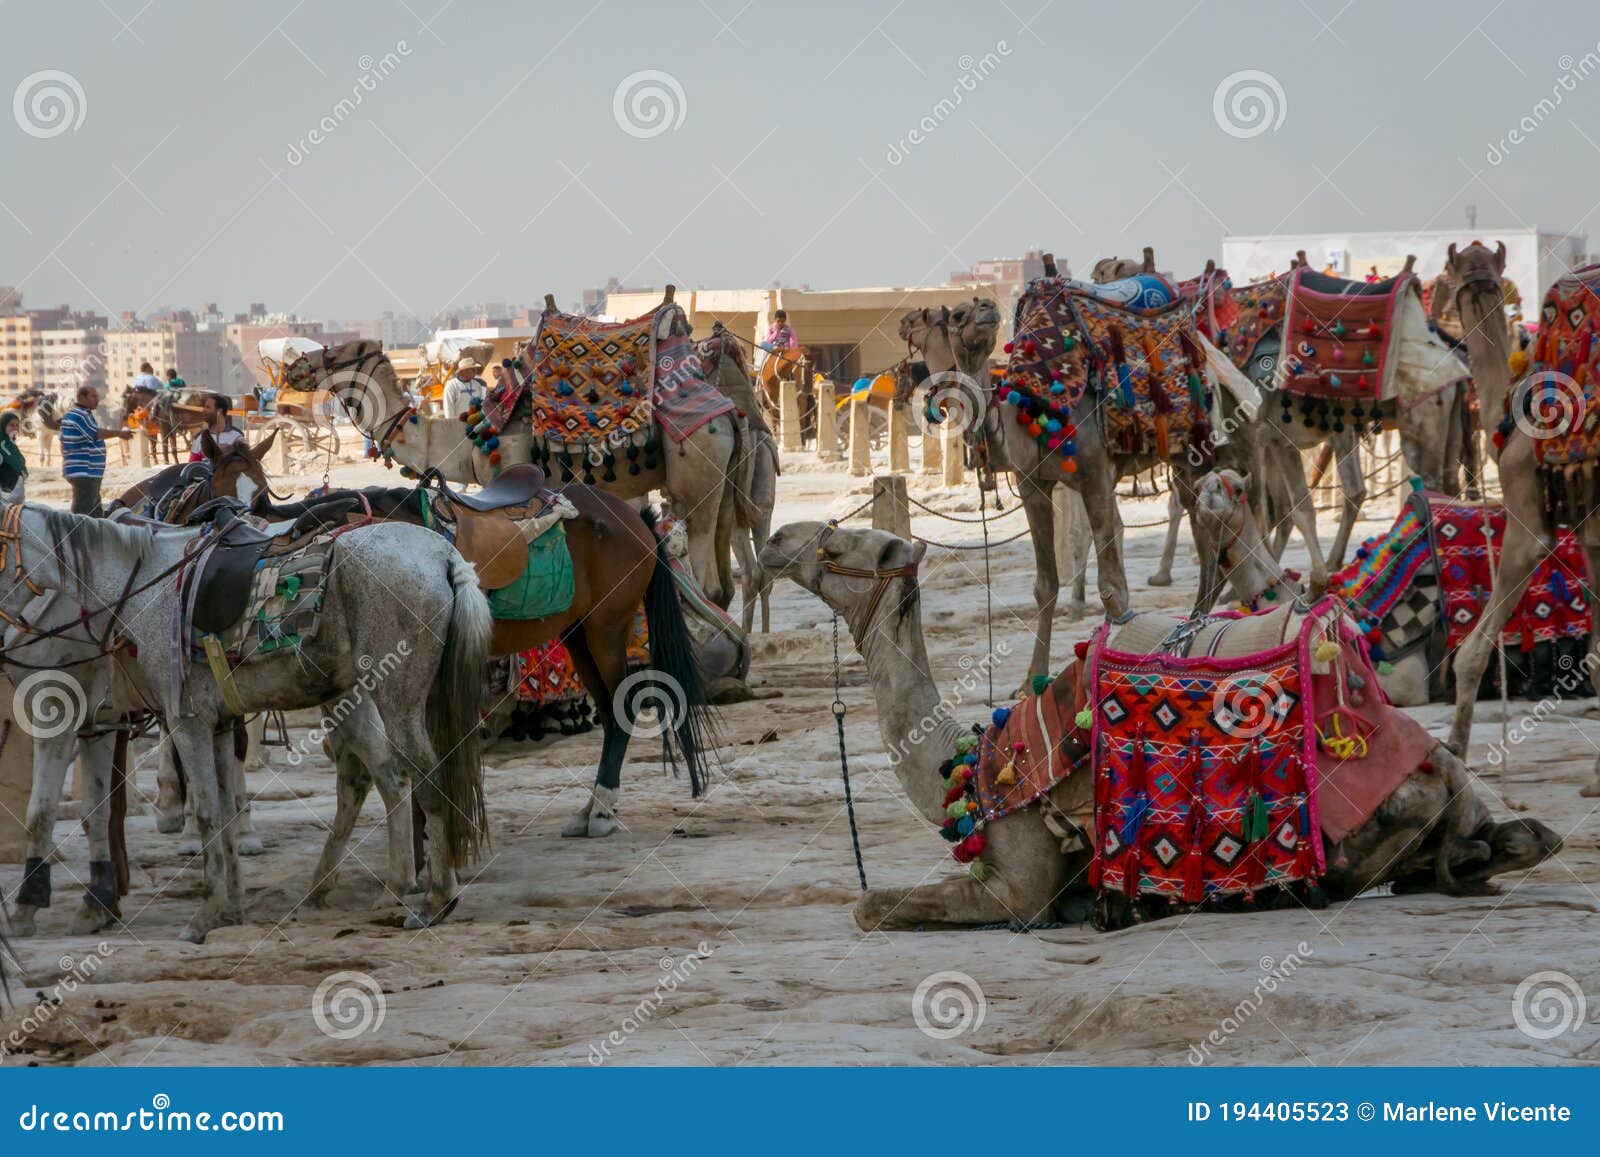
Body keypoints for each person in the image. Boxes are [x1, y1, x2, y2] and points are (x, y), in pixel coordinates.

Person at [59, 385, 134, 516]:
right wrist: (120, 433)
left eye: (97, 397)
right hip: (84, 471)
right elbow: (95, 433)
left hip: (88, 472)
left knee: (94, 512)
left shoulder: (84, 414)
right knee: (83, 512)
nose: (97, 400)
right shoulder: (79, 415)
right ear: (82, 397)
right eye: (93, 396)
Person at [189, 392, 245, 461]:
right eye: (204, 407)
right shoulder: (200, 438)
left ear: (219, 411)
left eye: (208, 407)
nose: (204, 410)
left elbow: (246, 464)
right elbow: (193, 465)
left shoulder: (237, 436)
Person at [0, 411, 27, 501]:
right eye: (11, 425)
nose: (15, 428)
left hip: (14, 490)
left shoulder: (10, 443)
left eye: (17, 425)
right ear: (3, 425)